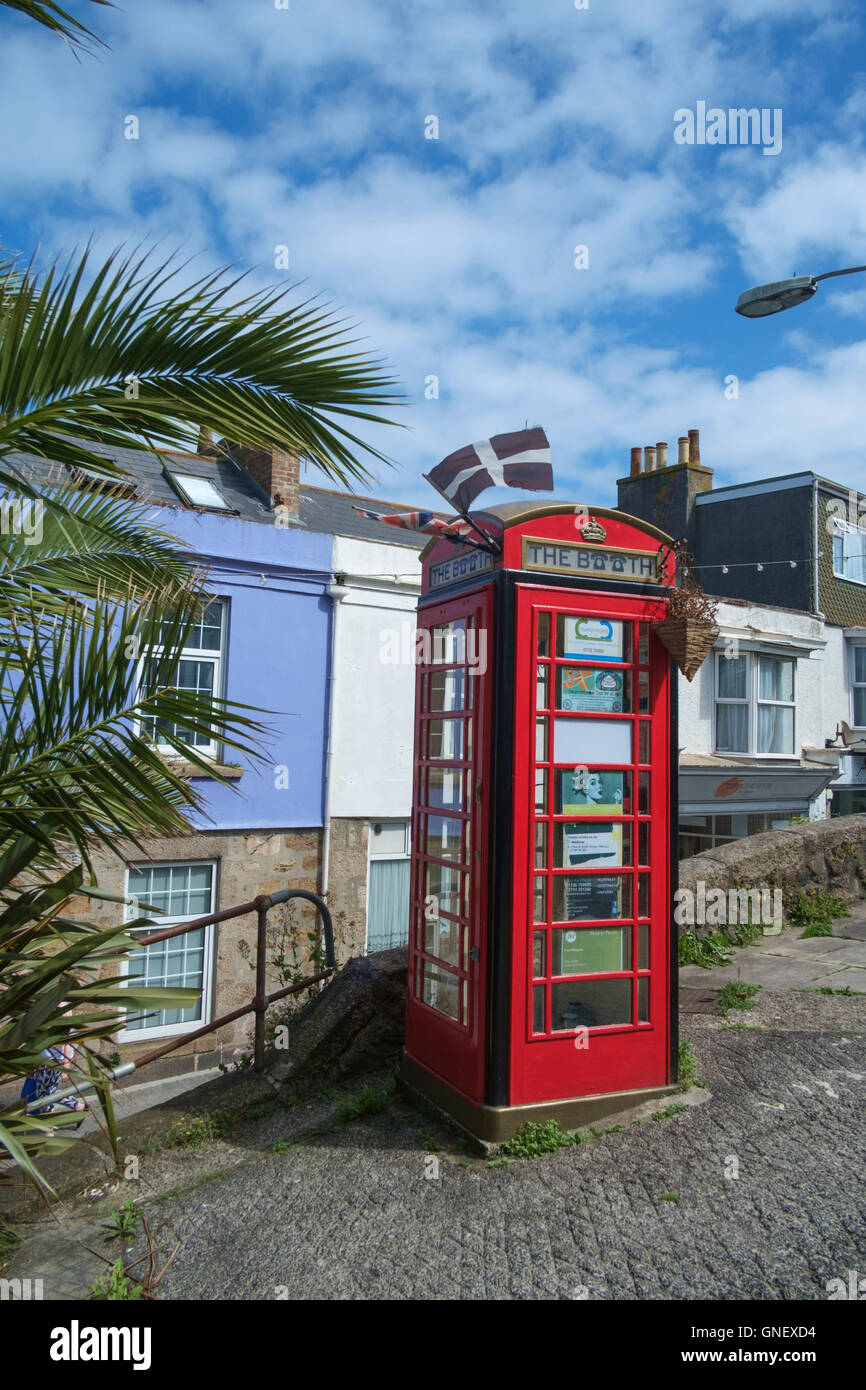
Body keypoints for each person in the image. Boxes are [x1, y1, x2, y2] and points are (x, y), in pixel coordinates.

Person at [20, 1016, 86, 1129]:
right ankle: (78, 1106)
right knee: (47, 1091)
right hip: (42, 1060)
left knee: (44, 1094)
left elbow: (68, 1040)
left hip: (51, 1062)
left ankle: (48, 1128)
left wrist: (66, 1066)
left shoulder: (61, 1007)